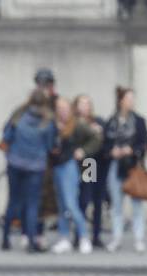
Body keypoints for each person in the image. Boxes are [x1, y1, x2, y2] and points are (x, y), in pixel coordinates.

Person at [0, 89, 56, 252]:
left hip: (15, 163)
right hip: (36, 166)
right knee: (32, 204)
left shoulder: (18, 116)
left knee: (13, 201)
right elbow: (50, 145)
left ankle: (5, 238)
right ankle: (31, 241)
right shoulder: (47, 122)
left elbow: (7, 137)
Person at [49, 97, 99, 255]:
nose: (62, 111)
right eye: (59, 108)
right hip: (59, 165)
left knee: (78, 201)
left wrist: (83, 152)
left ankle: (85, 236)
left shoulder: (82, 124)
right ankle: (66, 237)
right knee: (64, 204)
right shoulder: (54, 125)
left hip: (81, 164)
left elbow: (96, 140)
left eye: (87, 104)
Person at [103, 86, 147, 253]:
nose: (132, 102)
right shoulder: (112, 121)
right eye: (128, 98)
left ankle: (139, 238)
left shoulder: (139, 121)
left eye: (133, 98)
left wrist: (132, 150)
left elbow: (145, 144)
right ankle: (117, 238)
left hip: (133, 166)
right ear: (121, 101)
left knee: (137, 205)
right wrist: (112, 151)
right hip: (116, 166)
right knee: (116, 205)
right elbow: (105, 145)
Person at [74, 94, 107, 250]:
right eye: (81, 104)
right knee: (80, 200)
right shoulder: (73, 122)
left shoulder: (97, 122)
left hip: (90, 163)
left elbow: (104, 140)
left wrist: (100, 131)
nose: (84, 107)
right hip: (74, 164)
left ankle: (95, 234)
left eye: (87, 104)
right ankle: (78, 234)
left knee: (93, 199)